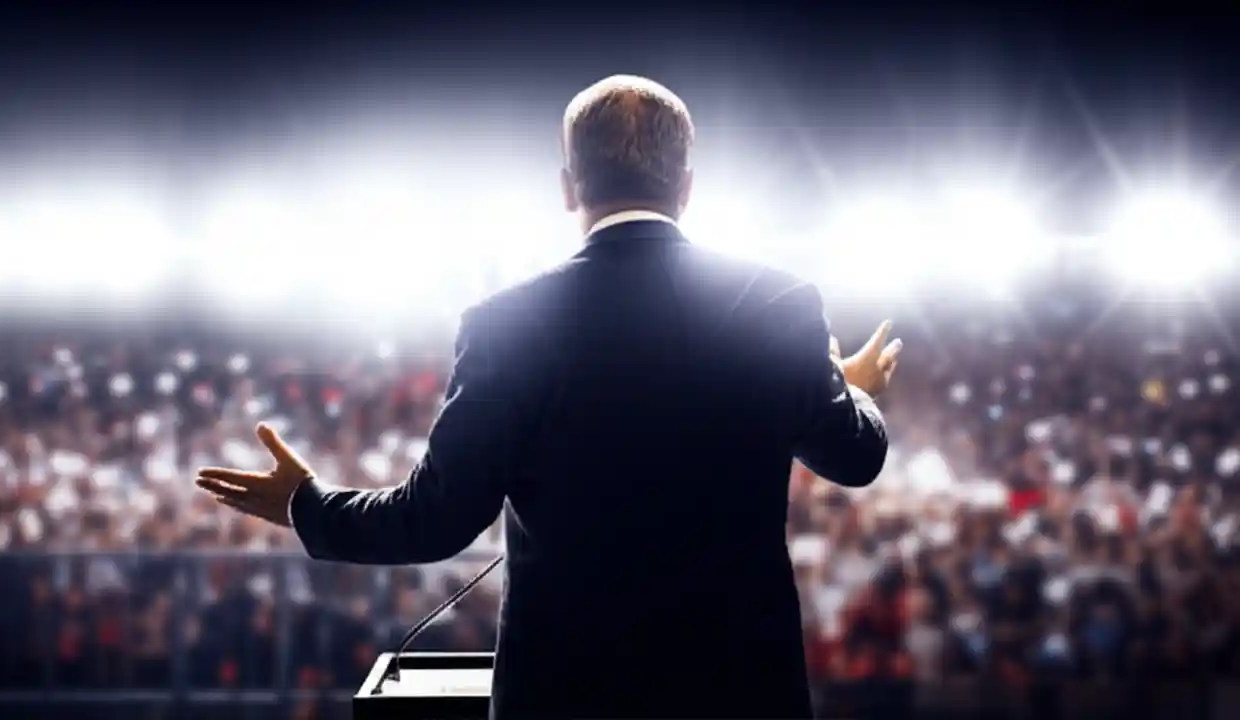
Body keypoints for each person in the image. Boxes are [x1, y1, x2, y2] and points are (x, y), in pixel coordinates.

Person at [195, 74, 902, 718]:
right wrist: (853, 390)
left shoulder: (506, 324)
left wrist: (306, 504)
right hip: (739, 693)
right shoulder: (777, 302)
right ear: (686, 185)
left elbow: (435, 520)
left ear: (569, 186)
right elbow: (855, 457)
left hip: (565, 696)